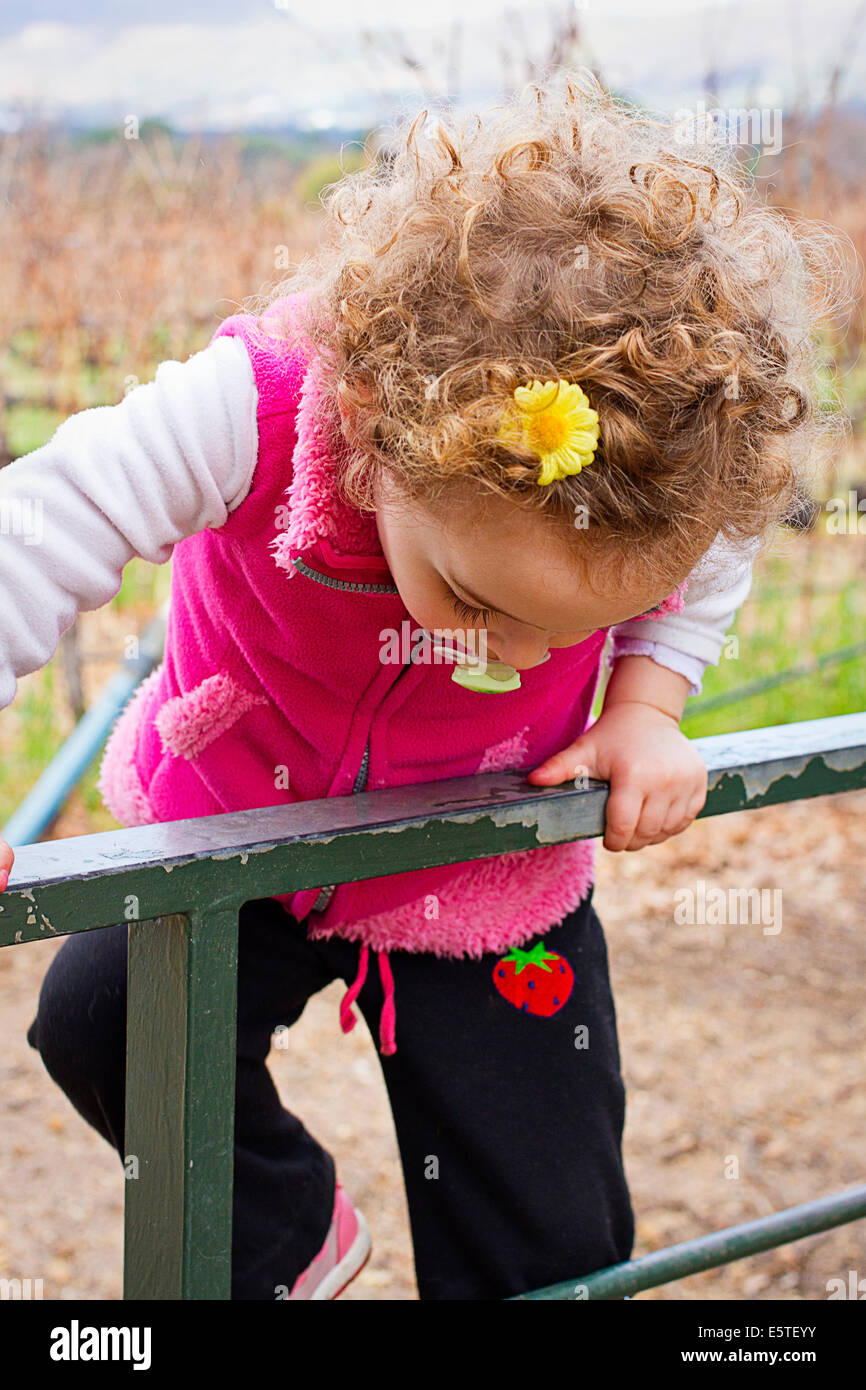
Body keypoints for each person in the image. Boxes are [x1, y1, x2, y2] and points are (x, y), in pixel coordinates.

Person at [0, 71, 843, 1299]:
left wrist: (644, 700)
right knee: (103, 1016)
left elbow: (716, 547)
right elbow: (42, 521)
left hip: (487, 849)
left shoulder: (677, 475)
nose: (522, 657)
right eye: (478, 602)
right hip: (245, 814)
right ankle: (284, 1238)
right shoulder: (261, 404)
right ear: (372, 423)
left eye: (581, 628)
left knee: (541, 1222)